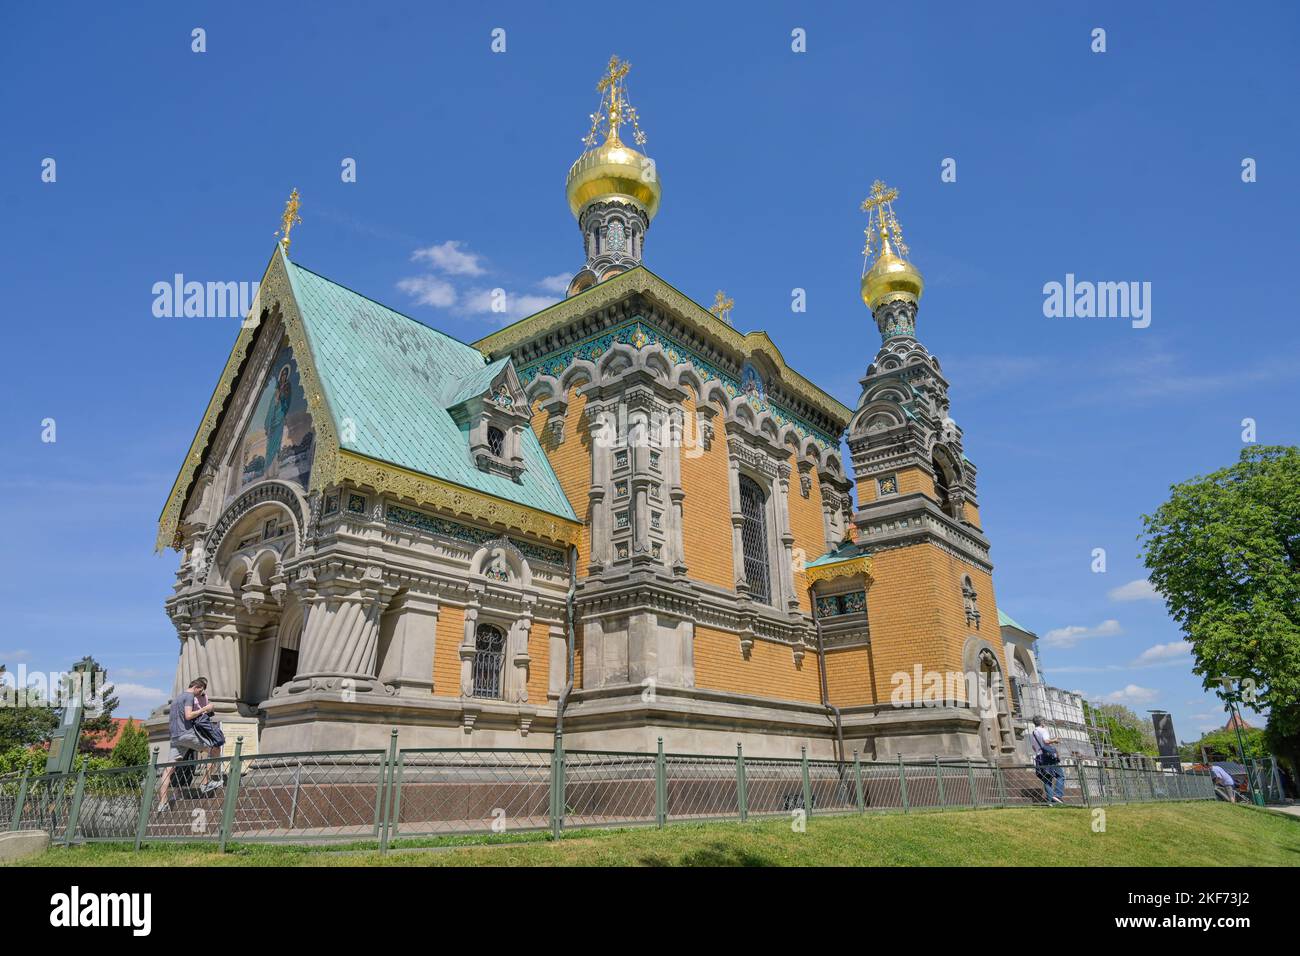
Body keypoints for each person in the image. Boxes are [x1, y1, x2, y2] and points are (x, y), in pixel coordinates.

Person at [156, 677, 223, 811]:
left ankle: (162, 803)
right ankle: (205, 782)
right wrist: (205, 708)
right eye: (201, 691)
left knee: (169, 769)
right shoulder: (189, 696)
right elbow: (188, 715)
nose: (200, 694)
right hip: (186, 735)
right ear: (197, 687)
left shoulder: (176, 699)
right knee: (214, 748)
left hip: (175, 736)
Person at [1029, 715, 1065, 804]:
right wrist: (1055, 740)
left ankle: (1051, 801)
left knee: (1047, 779)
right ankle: (1057, 795)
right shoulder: (1043, 730)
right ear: (1041, 722)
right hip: (1048, 757)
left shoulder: (1033, 733)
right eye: (1044, 721)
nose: (1044, 723)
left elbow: (1033, 747)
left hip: (1039, 757)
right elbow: (1046, 741)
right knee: (1060, 775)